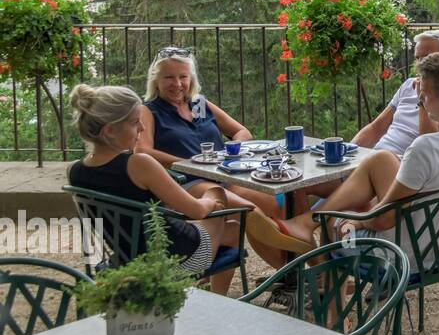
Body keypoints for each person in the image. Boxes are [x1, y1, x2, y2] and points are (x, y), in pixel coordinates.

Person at [66, 85, 311, 295]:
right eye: (134, 122)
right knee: (224, 205)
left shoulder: (76, 171)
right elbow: (196, 210)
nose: (141, 128)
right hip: (175, 258)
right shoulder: (139, 164)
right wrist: (211, 196)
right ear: (110, 130)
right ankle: (294, 245)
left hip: (124, 256)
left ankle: (223, 296)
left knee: (233, 227)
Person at [282, 49, 439, 271]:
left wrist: (356, 220)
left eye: (423, 98)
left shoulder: (425, 148)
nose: (420, 101)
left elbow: (383, 219)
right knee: (382, 159)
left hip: (392, 255)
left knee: (332, 222)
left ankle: (331, 301)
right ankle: (307, 224)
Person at [134, 46, 280, 220]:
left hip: (222, 176)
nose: (178, 84)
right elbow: (142, 152)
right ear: (156, 81)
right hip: (186, 182)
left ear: (191, 79)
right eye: (169, 77)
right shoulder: (150, 111)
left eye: (183, 77)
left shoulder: (198, 105)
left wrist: (228, 152)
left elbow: (242, 132)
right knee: (250, 211)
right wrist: (190, 164)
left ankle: (293, 244)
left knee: (272, 203)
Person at [353, 30, 439, 155]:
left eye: (427, 58)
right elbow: (376, 128)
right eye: (418, 58)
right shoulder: (408, 85)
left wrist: (422, 98)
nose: (420, 64)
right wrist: (348, 150)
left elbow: (429, 144)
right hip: (378, 155)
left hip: (403, 164)